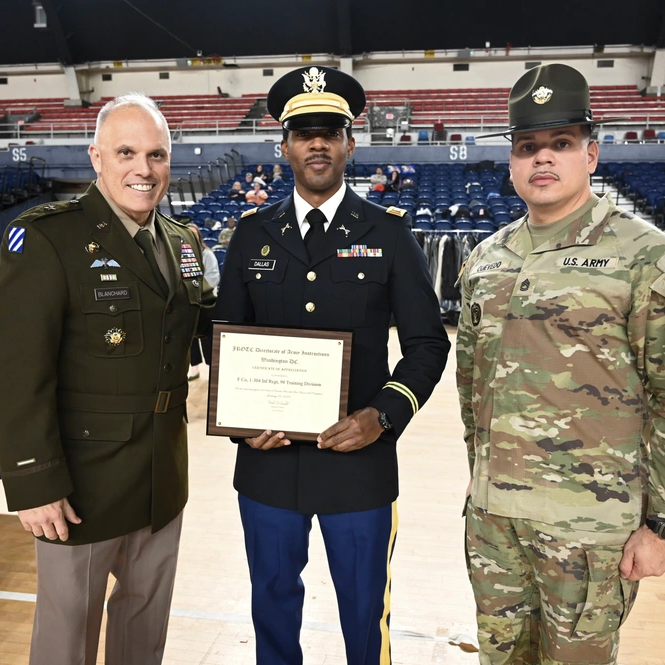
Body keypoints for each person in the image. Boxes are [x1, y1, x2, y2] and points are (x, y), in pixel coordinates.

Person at [458, 63, 665, 665]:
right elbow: (471, 381)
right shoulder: (486, 258)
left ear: (592, 154)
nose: (542, 159)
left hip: (592, 528)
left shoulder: (648, 256)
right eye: (528, 147)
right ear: (512, 161)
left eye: (561, 144)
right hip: (496, 521)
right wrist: (479, 471)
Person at [214, 66, 450, 665]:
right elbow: (224, 341)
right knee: (270, 607)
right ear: (285, 146)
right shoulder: (250, 235)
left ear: (349, 142)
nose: (317, 143)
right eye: (303, 132)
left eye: (330, 130)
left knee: (363, 612)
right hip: (268, 463)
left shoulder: (390, 235)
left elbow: (428, 344)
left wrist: (384, 415)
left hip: (360, 463)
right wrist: (240, 419)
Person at [0, 92, 216, 665]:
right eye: (127, 152)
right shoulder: (48, 238)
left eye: (157, 155)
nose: (144, 169)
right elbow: (13, 369)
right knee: (67, 638)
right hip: (81, 485)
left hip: (162, 475)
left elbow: (212, 336)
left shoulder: (183, 243)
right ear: (96, 157)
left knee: (144, 628)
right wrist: (35, 483)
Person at [185, 222, 219, 381]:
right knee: (190, 338)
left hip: (206, 300)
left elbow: (213, 277)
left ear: (199, 236)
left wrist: (197, 292)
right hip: (187, 302)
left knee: (208, 337)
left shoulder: (207, 254)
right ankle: (194, 369)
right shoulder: (181, 254)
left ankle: (213, 369)